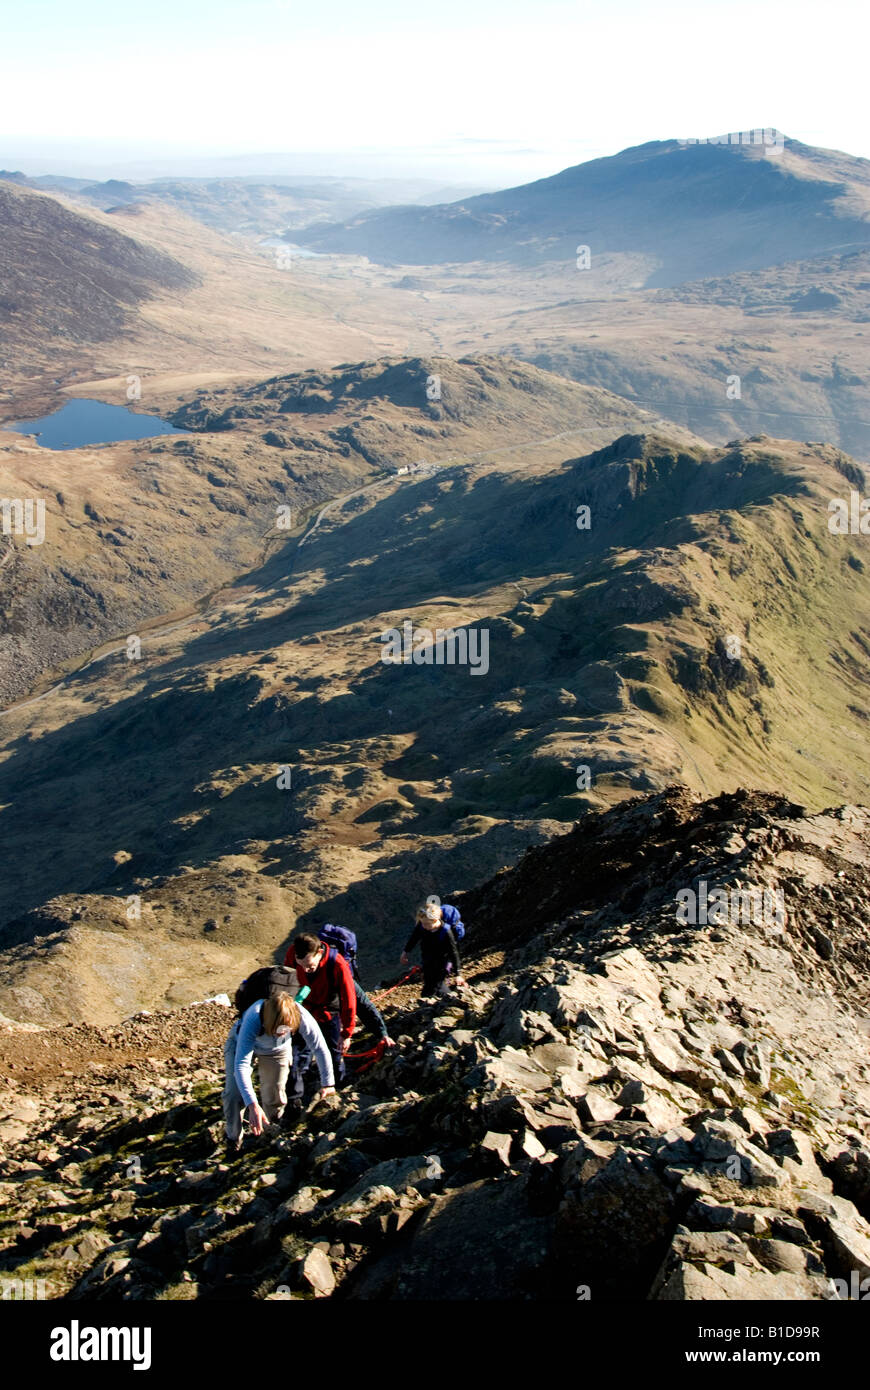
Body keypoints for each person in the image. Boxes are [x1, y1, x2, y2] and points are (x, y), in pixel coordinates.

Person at [223, 991, 334, 1157]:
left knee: (274, 1094)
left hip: (276, 1050)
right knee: (233, 1095)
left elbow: (319, 1047)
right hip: (241, 1044)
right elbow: (241, 1065)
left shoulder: (300, 1014)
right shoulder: (254, 1017)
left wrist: (328, 1083)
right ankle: (233, 1140)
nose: (283, 1032)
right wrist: (252, 1104)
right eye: (279, 1029)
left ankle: (269, 1133)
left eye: (288, 1029)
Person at [283, 931, 357, 1086]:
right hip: (303, 1010)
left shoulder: (337, 963)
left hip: (328, 1012)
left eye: (310, 967)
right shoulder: (292, 953)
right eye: (301, 966)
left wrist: (347, 1033)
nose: (305, 971)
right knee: (297, 1053)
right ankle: (297, 1093)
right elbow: (286, 982)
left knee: (334, 1053)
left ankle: (336, 1087)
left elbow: (348, 998)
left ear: (320, 953)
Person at [401, 901, 466, 999]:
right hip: (428, 959)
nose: (424, 926)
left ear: (436, 920)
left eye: (427, 924)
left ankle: (437, 1000)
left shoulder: (446, 931)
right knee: (429, 981)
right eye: (423, 923)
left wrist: (458, 974)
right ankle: (444, 997)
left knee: (434, 985)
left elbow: (454, 952)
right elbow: (414, 938)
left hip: (442, 962)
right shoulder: (422, 925)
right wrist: (405, 952)